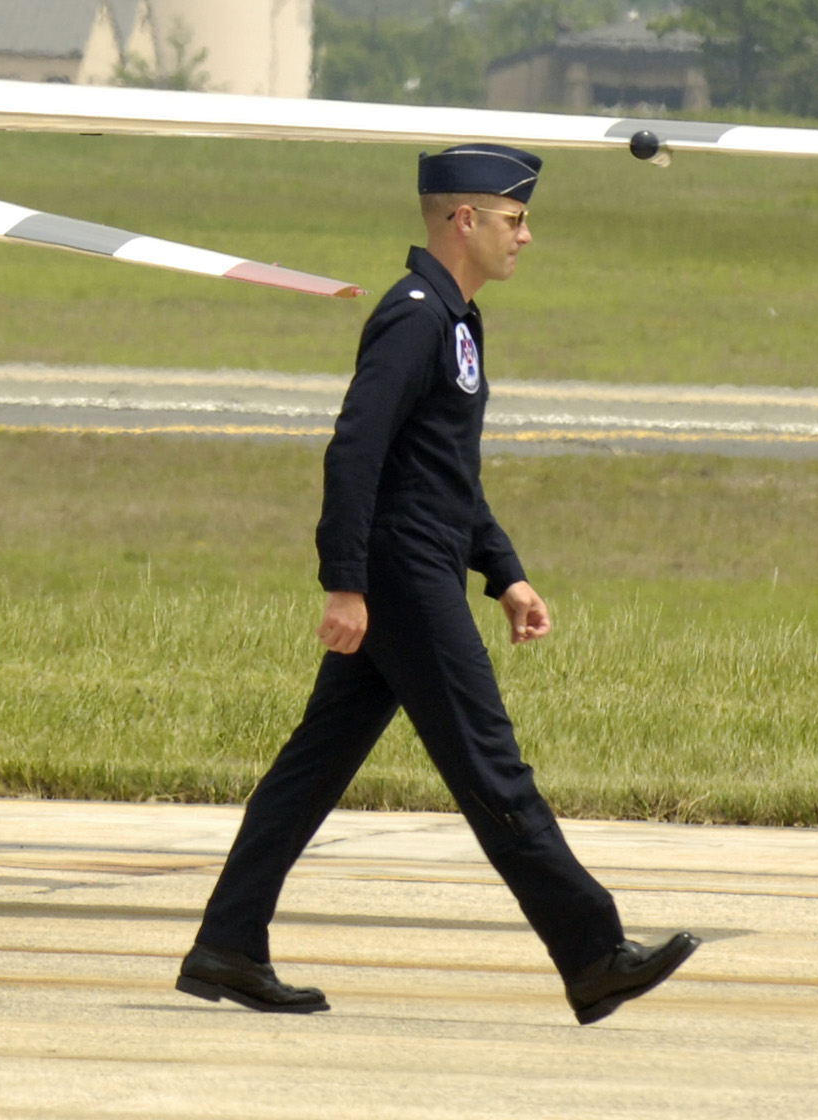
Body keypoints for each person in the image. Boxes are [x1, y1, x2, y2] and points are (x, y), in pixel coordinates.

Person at [177, 144, 700, 1026]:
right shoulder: (415, 317)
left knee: (312, 768)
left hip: (416, 566)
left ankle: (228, 943)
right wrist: (345, 583)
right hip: (402, 580)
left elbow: (444, 471)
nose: (526, 236)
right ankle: (594, 953)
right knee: (490, 762)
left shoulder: (456, 319)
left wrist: (504, 572)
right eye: (515, 219)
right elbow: (356, 449)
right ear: (465, 220)